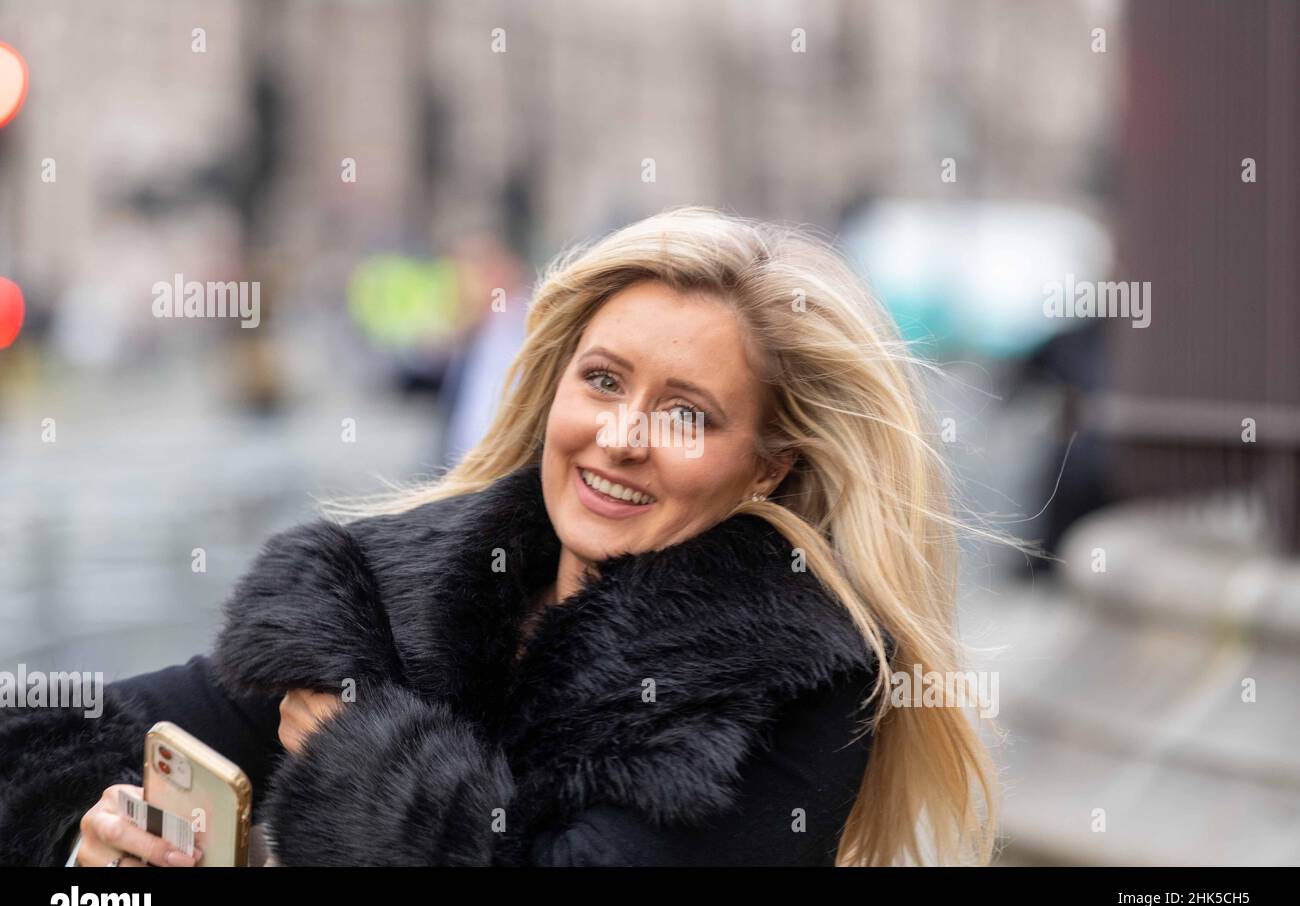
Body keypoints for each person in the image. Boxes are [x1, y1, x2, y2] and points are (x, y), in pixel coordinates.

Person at [0, 206, 999, 866]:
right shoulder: (373, 594)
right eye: (603, 379)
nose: (621, 435)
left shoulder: (795, 680)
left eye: (687, 412)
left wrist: (369, 764)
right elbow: (68, 741)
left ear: (768, 464)